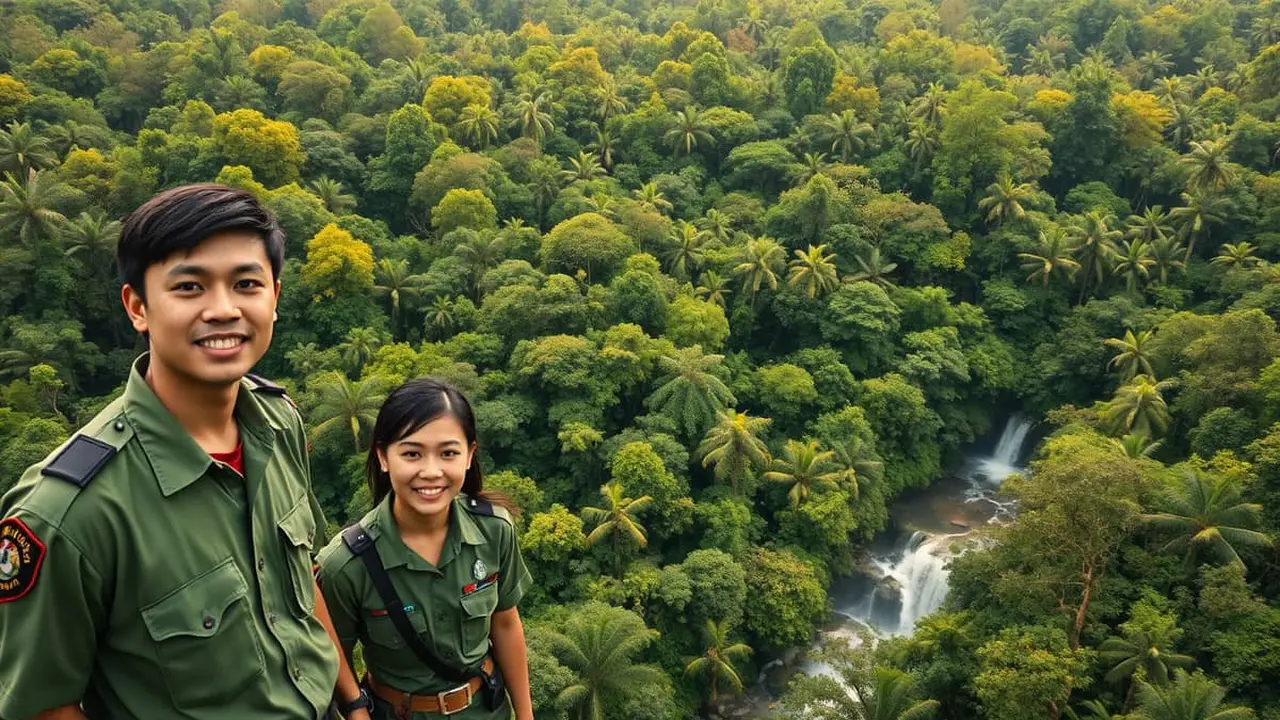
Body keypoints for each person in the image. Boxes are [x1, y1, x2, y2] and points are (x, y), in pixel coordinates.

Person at [0, 184, 354, 720]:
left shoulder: (278, 423)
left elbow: (299, 581)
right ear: (138, 306)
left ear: (274, 299)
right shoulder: (69, 512)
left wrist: (353, 703)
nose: (222, 309)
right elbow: (41, 705)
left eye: (246, 284)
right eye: (189, 286)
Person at [316, 378, 534, 720]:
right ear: (383, 457)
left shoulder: (494, 531)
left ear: (469, 456)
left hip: (485, 710)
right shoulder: (346, 564)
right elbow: (331, 658)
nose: (431, 472)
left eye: (448, 453)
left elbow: (505, 624)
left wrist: (525, 714)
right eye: (412, 453)